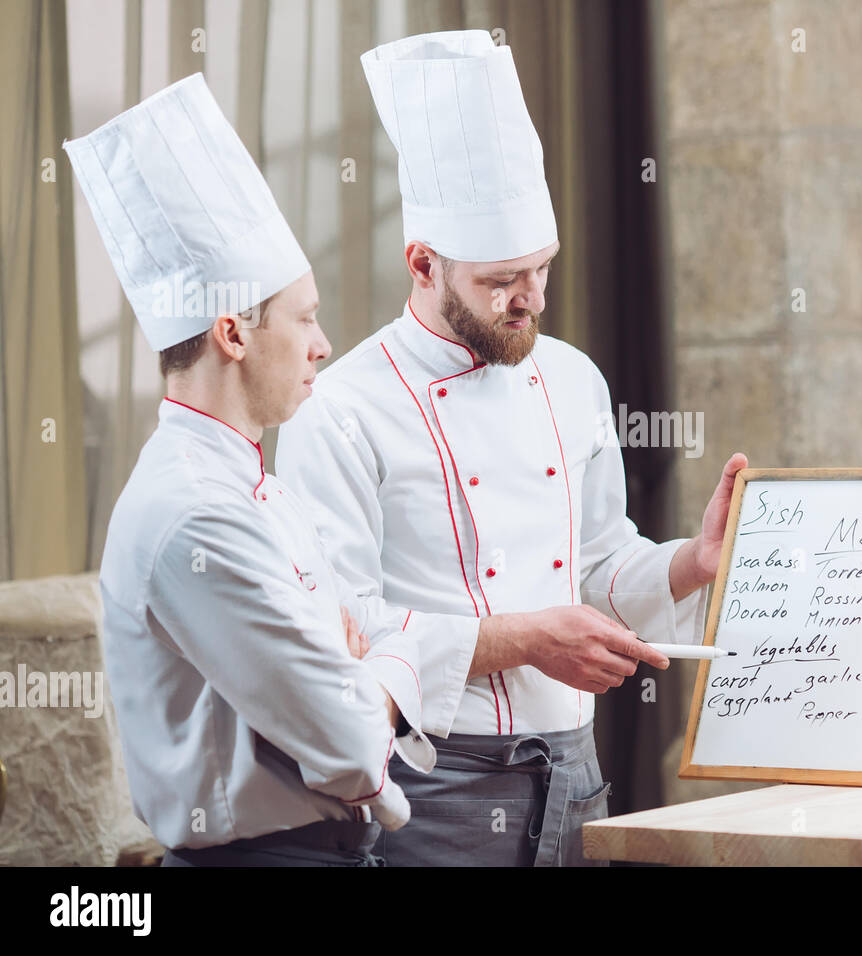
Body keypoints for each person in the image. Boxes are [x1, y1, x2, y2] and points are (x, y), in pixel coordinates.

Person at [276, 30, 746, 866]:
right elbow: (342, 635)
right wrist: (525, 639)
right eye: (501, 282)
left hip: (576, 774)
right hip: (432, 787)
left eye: (542, 270)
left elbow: (596, 565)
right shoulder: (340, 410)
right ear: (423, 263)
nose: (529, 301)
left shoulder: (572, 379)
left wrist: (690, 565)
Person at [65, 73, 432, 866]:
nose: (323, 344)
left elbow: (376, 631)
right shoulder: (196, 512)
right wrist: (380, 678)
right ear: (232, 333)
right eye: (304, 318)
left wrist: (361, 662)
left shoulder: (254, 484)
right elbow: (352, 744)